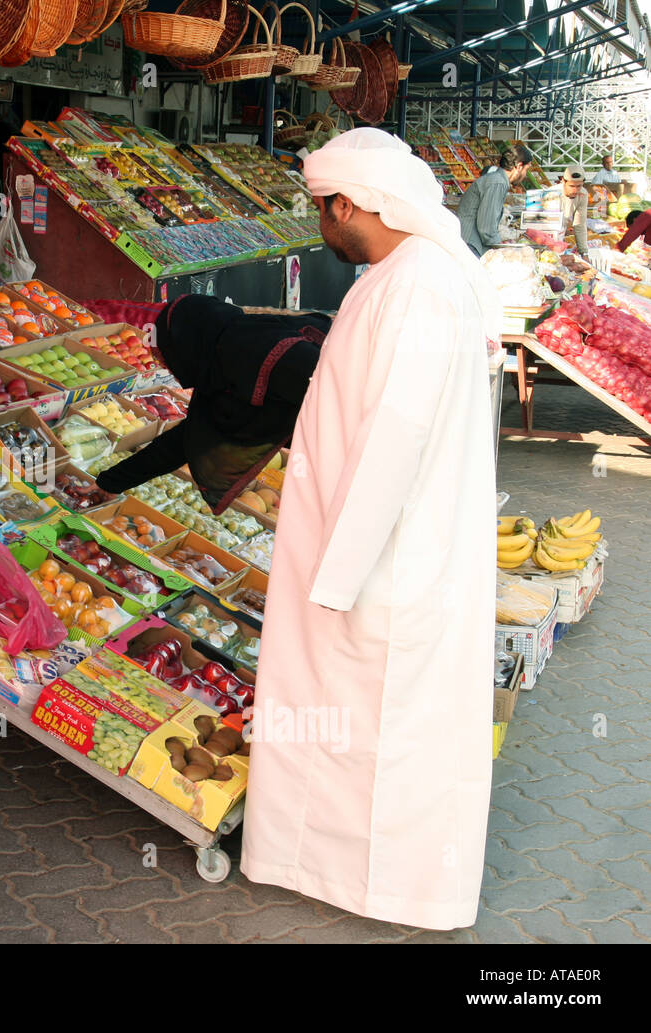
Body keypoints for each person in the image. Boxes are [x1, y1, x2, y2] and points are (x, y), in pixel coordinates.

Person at [240, 128, 499, 930]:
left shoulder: (418, 286)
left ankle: (394, 888)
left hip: (387, 559)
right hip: (367, 548)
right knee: (350, 726)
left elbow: (396, 435)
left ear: (349, 205)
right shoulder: (403, 275)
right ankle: (328, 867)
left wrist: (340, 570)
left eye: (321, 211)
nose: (319, 227)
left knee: (385, 733)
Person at [93, 297, 331, 508]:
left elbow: (328, 385)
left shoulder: (253, 354)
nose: (167, 365)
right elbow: (187, 439)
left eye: (166, 354)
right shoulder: (226, 357)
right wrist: (111, 483)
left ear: (188, 346)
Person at [457, 146, 531, 256]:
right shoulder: (498, 183)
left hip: (469, 243)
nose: (525, 175)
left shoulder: (497, 180)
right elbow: (487, 227)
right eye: (526, 169)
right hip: (470, 245)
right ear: (519, 166)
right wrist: (502, 251)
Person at [556, 167, 590, 257]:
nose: (575, 190)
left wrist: (584, 252)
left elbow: (580, 224)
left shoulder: (583, 194)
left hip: (560, 237)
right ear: (563, 181)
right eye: (571, 186)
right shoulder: (553, 194)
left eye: (579, 186)